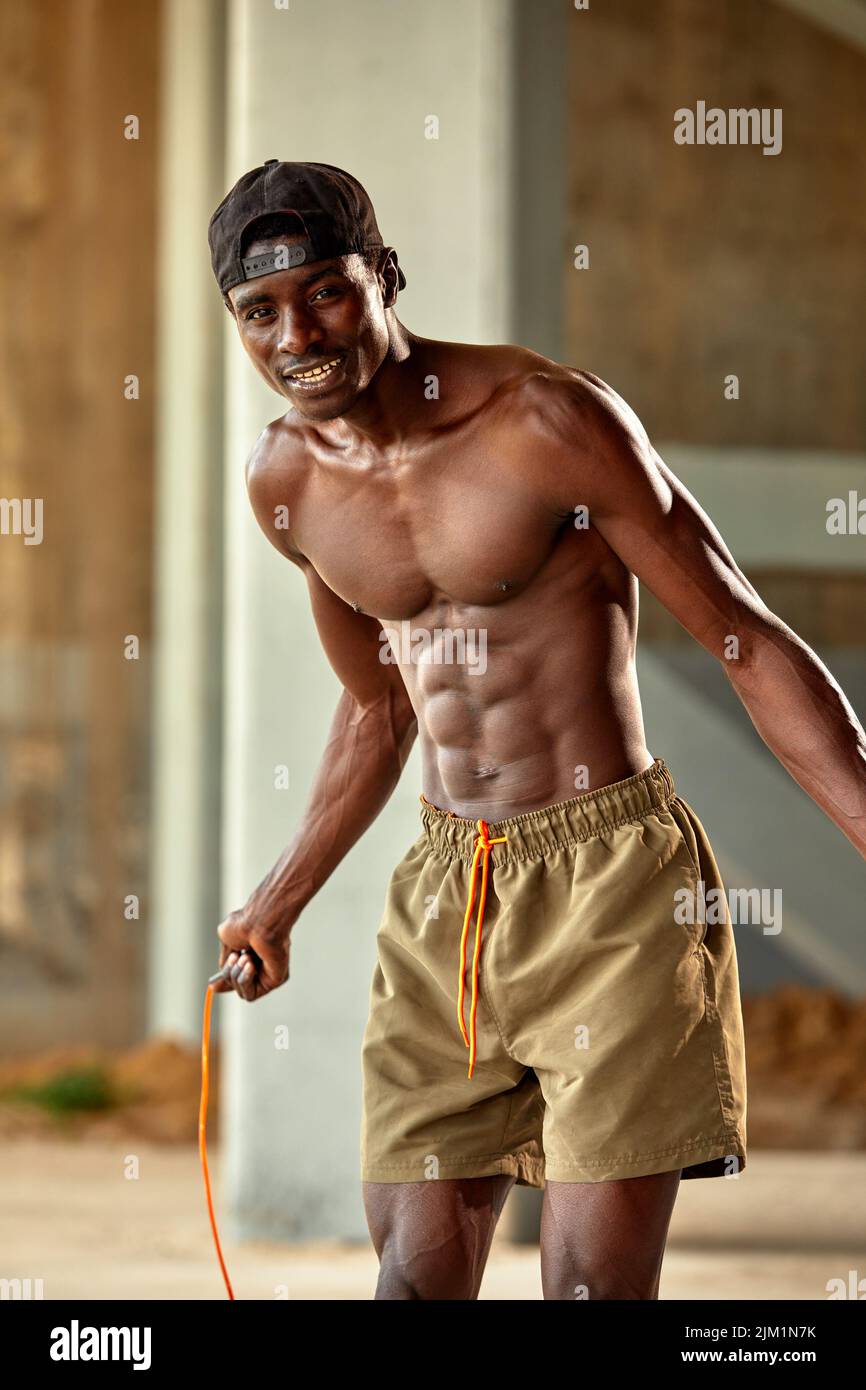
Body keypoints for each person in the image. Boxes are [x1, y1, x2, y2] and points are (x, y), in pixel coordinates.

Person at [206, 160, 866, 1300]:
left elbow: (742, 640)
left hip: (609, 883)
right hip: (442, 895)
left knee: (587, 1294)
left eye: (325, 291)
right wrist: (277, 900)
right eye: (258, 311)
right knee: (411, 1283)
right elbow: (378, 702)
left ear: (384, 278)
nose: (294, 332)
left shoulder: (546, 420)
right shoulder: (284, 479)